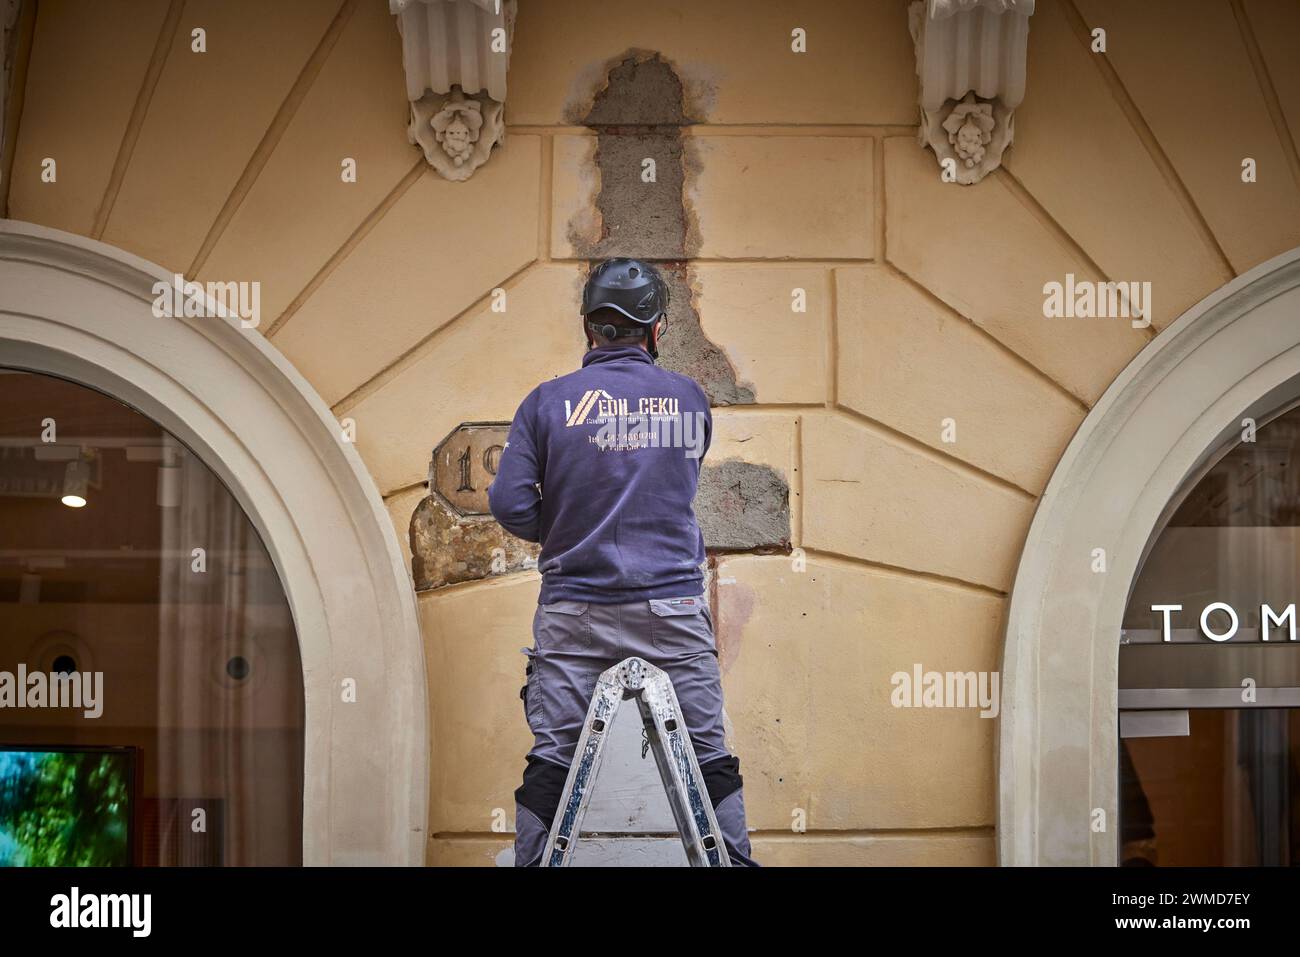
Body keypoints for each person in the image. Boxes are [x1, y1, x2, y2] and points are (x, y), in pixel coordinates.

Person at [488, 257, 758, 867]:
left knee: (554, 756)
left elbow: (507, 502)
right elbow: (675, 477)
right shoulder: (688, 398)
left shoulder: (545, 402)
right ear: (655, 329)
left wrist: (563, 528)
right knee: (708, 754)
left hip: (573, 610)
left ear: (590, 328)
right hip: (671, 607)